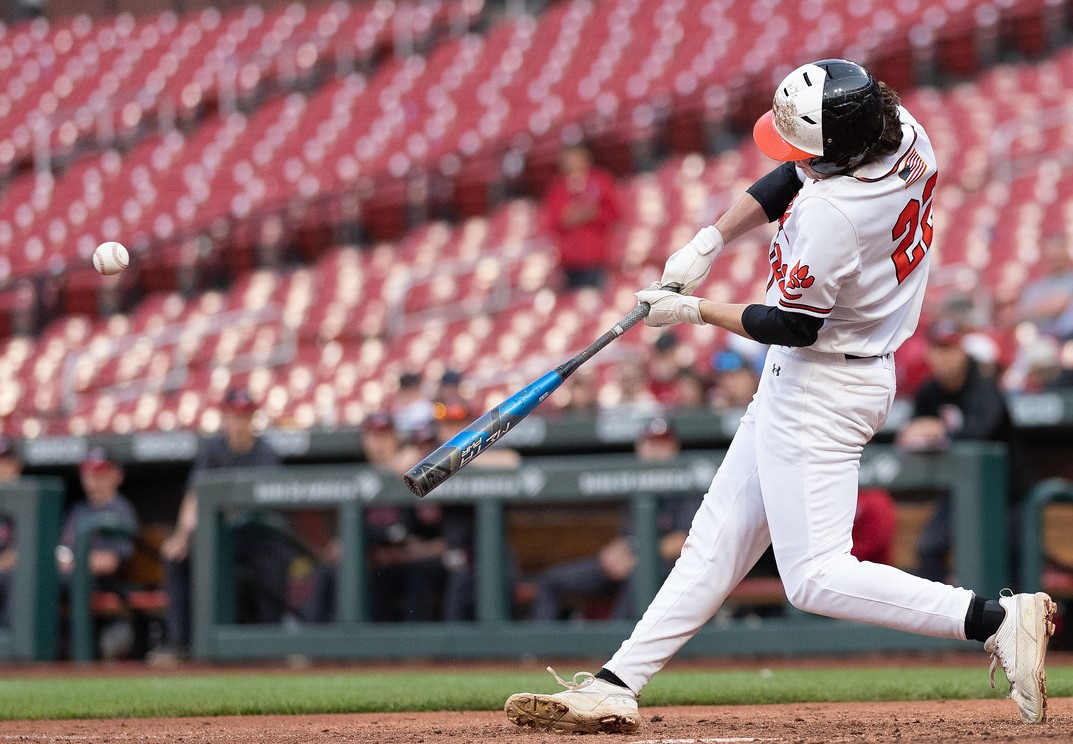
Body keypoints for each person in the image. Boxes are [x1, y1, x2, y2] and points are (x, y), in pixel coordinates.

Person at [505, 59, 1055, 734]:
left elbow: (790, 324)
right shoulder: (901, 131)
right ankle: (619, 681)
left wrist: (695, 310)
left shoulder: (835, 212)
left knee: (814, 578)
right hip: (824, 370)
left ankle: (996, 620)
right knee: (716, 537)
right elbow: (794, 169)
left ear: (843, 146)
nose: (796, 156)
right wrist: (709, 239)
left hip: (824, 378)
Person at [153, 388, 284, 662]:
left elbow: (262, 505)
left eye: (244, 417)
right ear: (224, 418)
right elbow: (194, 495)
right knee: (177, 557)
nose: (238, 423)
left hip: (254, 537)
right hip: (218, 538)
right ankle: (182, 643)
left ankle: (271, 646)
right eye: (233, 417)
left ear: (253, 419)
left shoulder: (265, 451)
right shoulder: (214, 449)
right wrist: (181, 535)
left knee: (274, 557)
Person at [528, 417, 699, 621]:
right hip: (631, 559)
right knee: (551, 580)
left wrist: (638, 555)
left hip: (669, 568)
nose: (656, 450)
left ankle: (616, 648)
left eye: (663, 443)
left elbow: (684, 541)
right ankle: (540, 651)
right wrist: (615, 552)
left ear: (674, 447)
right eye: (650, 443)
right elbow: (628, 535)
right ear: (639, 446)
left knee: (639, 577)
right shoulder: (635, 479)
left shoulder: (689, 480)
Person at [897, 320, 1023, 582]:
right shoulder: (929, 391)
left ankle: (1009, 619)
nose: (944, 358)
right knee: (929, 548)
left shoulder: (984, 385)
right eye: (938, 349)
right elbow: (913, 432)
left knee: (1007, 556)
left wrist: (941, 430)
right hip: (956, 493)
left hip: (1005, 493)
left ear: (962, 352)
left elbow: (981, 432)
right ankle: (940, 619)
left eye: (950, 349)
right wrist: (913, 434)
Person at [57, 447, 140, 659]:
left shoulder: (120, 510)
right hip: (72, 580)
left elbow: (110, 562)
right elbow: (62, 551)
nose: (93, 480)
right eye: (89, 474)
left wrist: (74, 562)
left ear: (116, 475)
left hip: (109, 585)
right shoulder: (78, 510)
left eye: (100, 473)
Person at [543, 143, 621, 290]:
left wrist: (591, 213)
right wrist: (571, 216)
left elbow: (613, 214)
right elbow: (552, 221)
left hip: (595, 258)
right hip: (569, 262)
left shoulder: (601, 181)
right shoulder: (558, 188)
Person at [0, 436, 23, 627]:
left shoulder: (28, 498)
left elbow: (21, 553)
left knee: (14, 578)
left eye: (6, 461)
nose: (2, 467)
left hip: (13, 572)